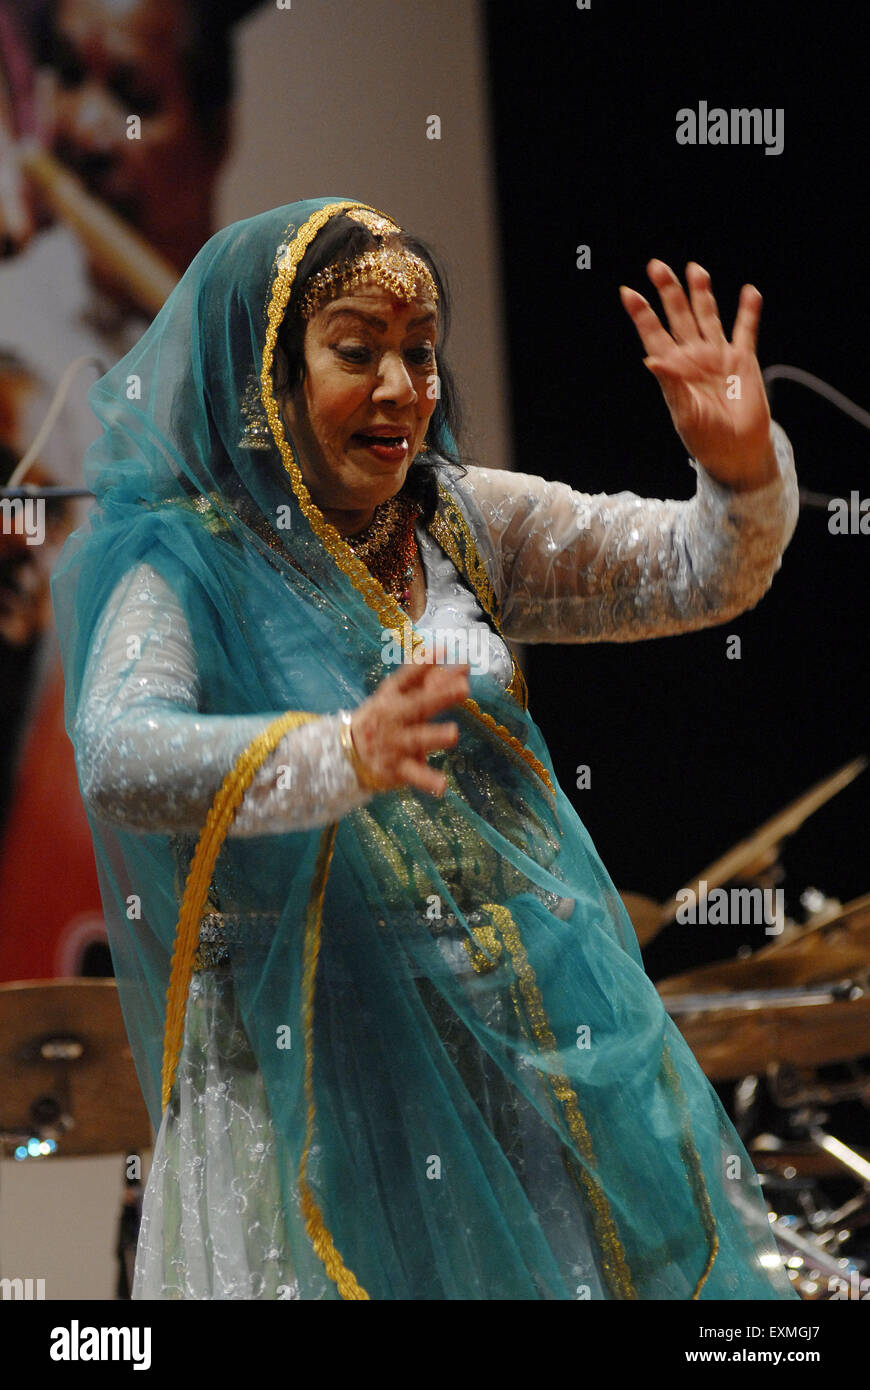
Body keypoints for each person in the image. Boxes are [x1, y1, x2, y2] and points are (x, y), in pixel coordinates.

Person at [51, 197, 800, 1300]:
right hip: (316, 1094)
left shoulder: (458, 520)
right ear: (264, 375)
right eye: (357, 352)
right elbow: (119, 753)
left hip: (518, 1068)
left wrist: (739, 476)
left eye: (419, 353)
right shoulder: (188, 565)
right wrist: (338, 752)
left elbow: (696, 572)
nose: (401, 389)